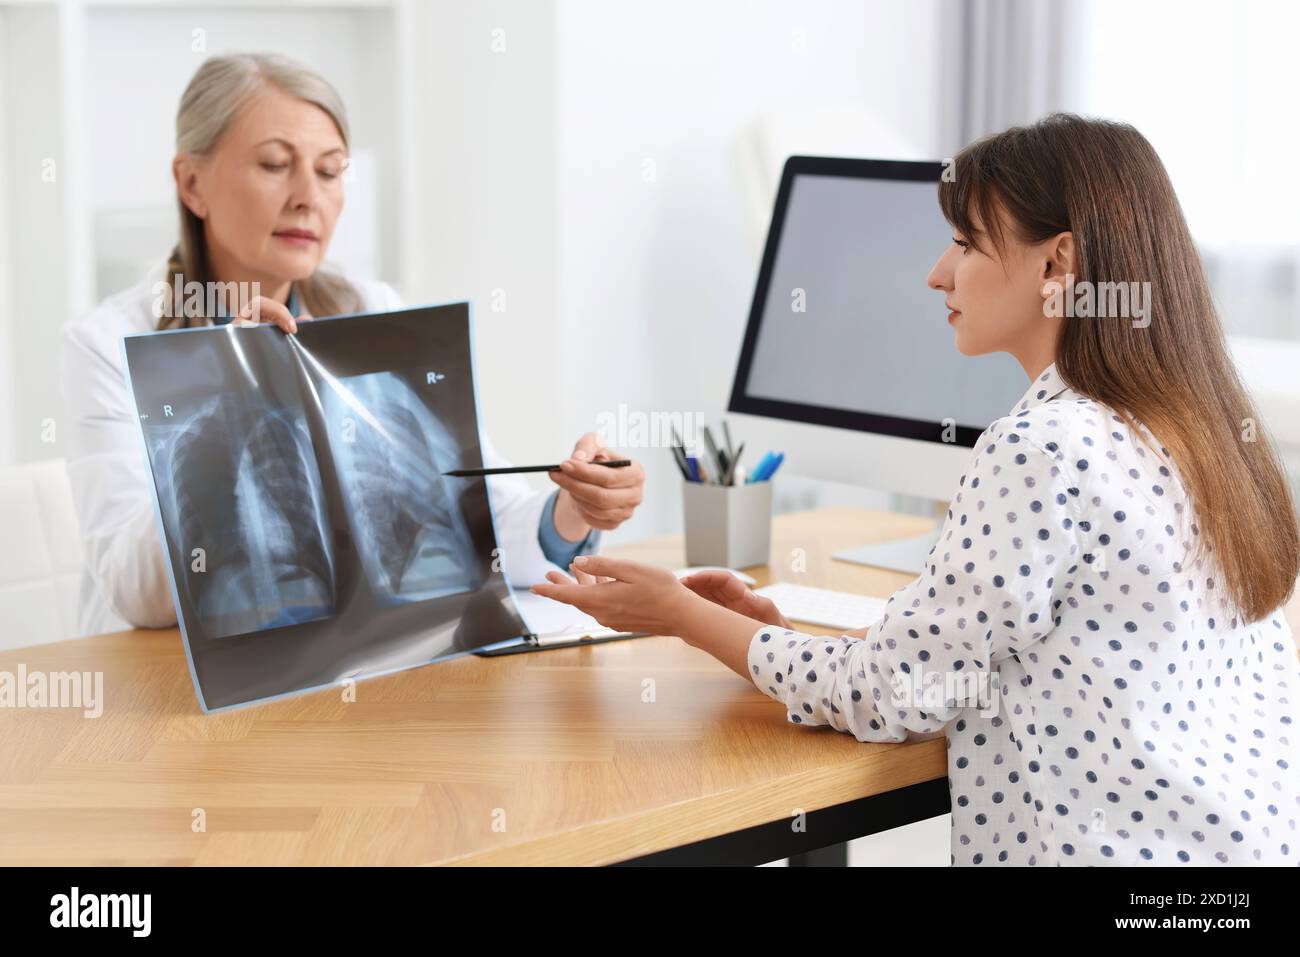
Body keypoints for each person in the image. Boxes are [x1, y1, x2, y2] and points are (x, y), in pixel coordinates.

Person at [533, 113, 1300, 866]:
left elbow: (891, 697)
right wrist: (780, 637)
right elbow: (1000, 663)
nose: (938, 272)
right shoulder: (1201, 427)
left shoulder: (1042, 450)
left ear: (1056, 264)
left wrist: (683, 617)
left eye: (965, 243)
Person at [60, 53, 645, 637]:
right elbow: (136, 593)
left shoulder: (375, 312)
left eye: (330, 171)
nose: (307, 198)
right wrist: (231, 394)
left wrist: (574, 511)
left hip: (362, 671)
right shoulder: (109, 344)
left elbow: (486, 524)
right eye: (273, 164)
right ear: (192, 183)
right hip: (168, 698)